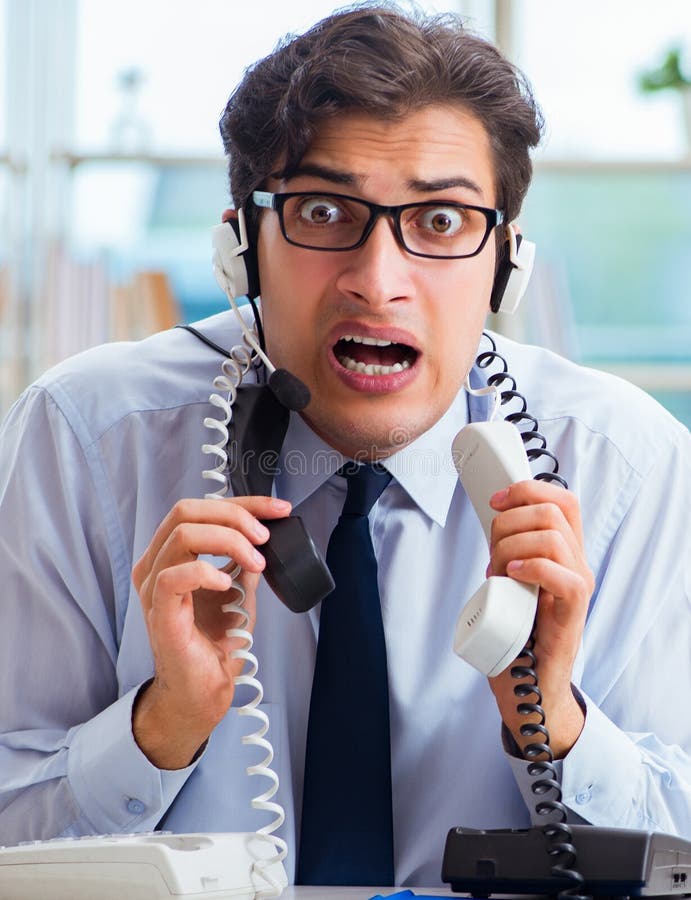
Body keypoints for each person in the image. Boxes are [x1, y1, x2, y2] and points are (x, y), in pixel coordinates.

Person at [1, 2, 690, 888]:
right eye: (323, 211)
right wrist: (160, 726)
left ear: (505, 265)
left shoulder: (625, 466)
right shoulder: (83, 440)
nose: (377, 281)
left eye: (440, 221)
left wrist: (553, 718)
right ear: (240, 250)